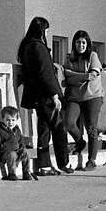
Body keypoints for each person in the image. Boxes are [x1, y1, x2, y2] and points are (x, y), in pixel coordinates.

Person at [17, 16, 71, 175]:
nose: (47, 33)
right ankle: (63, 163)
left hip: (35, 95)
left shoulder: (26, 46)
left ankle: (44, 165)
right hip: (46, 95)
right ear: (41, 30)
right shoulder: (38, 47)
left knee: (44, 130)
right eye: (46, 30)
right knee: (58, 129)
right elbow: (46, 73)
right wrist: (54, 95)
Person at [61, 30, 104, 171]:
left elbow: (92, 75)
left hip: (93, 96)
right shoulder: (70, 58)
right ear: (74, 43)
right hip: (75, 97)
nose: (81, 45)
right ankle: (80, 141)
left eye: (84, 42)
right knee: (68, 122)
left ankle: (91, 160)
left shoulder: (93, 56)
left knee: (91, 128)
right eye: (78, 42)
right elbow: (66, 77)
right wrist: (83, 76)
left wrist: (74, 76)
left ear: (88, 44)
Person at [0, 106, 35, 181]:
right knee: (12, 154)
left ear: (16, 120)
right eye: (8, 120)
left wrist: (22, 148)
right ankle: (11, 174)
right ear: (2, 119)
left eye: (13, 120)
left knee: (25, 152)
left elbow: (21, 142)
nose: (10, 122)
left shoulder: (16, 130)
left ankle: (26, 172)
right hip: (4, 154)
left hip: (16, 152)